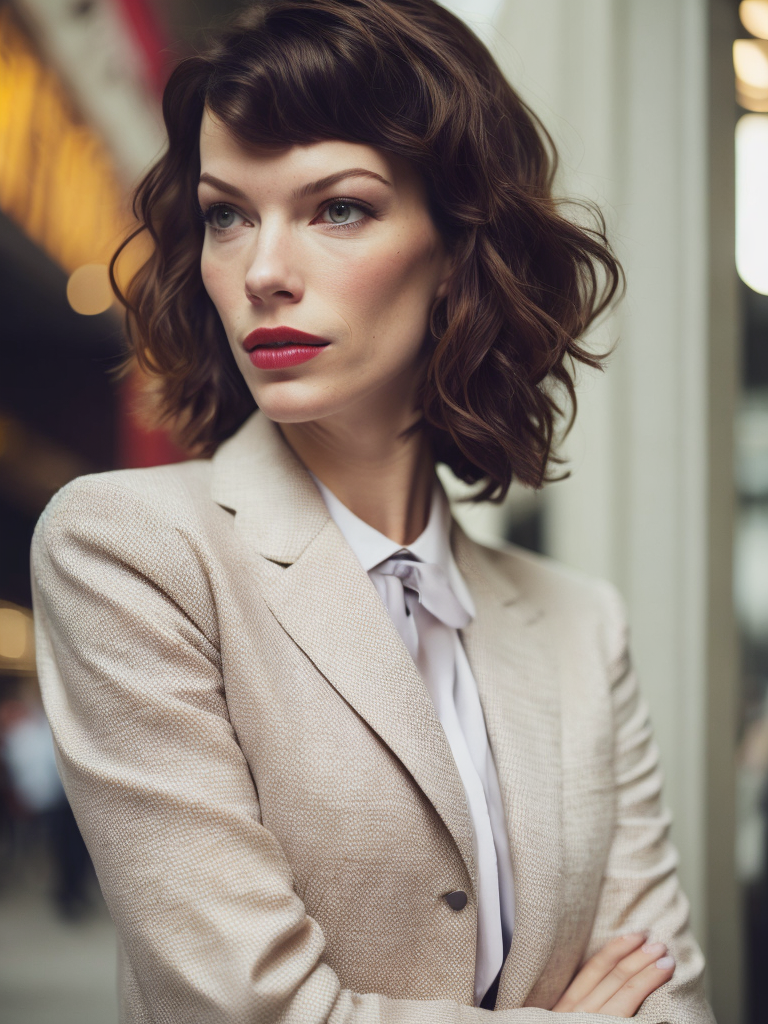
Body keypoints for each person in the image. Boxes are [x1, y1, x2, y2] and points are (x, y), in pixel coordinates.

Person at [30, 1, 714, 1020]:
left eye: (337, 207)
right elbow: (248, 1005)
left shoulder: (581, 628)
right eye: (227, 214)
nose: (263, 270)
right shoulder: (129, 550)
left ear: (457, 246)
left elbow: (670, 996)